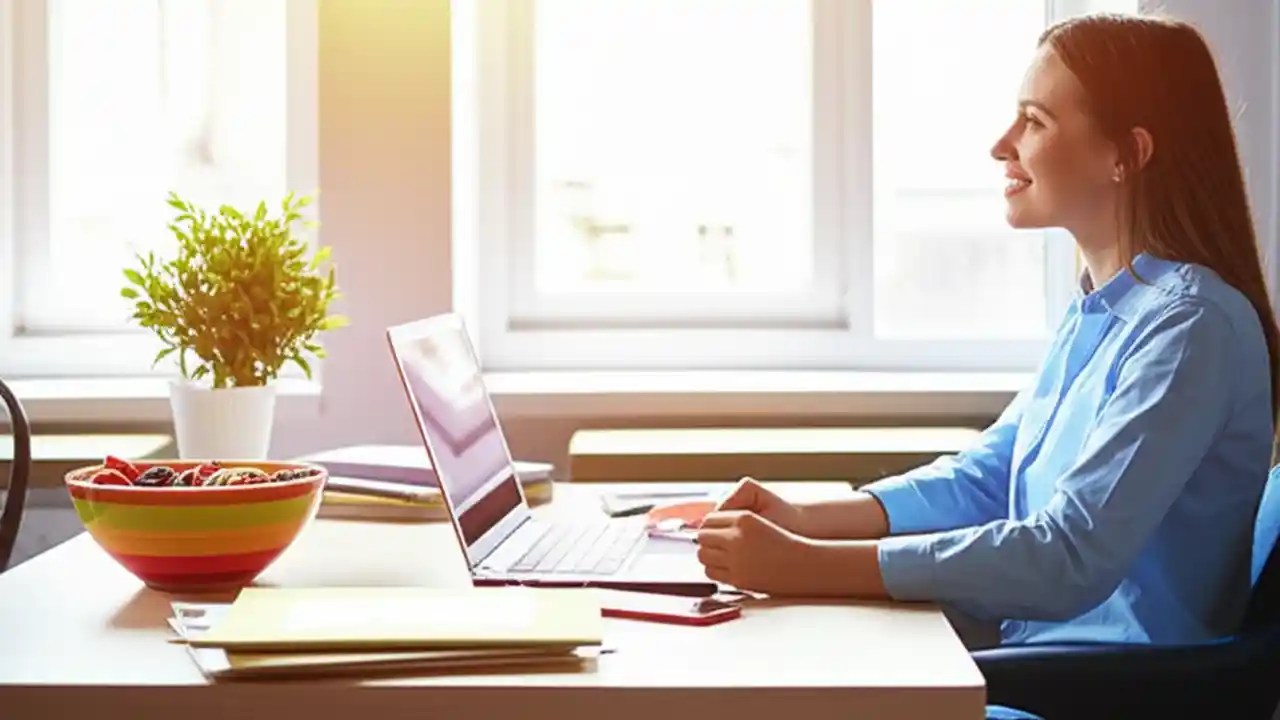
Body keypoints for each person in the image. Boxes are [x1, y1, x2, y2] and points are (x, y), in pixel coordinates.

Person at [695, 12, 1279, 648]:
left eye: (1035, 120)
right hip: (1036, 654)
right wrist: (804, 520)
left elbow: (1066, 556)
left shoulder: (1190, 328)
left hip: (1107, 683)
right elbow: (990, 478)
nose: (1003, 145)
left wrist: (807, 566)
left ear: (1125, 155)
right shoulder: (1106, 309)